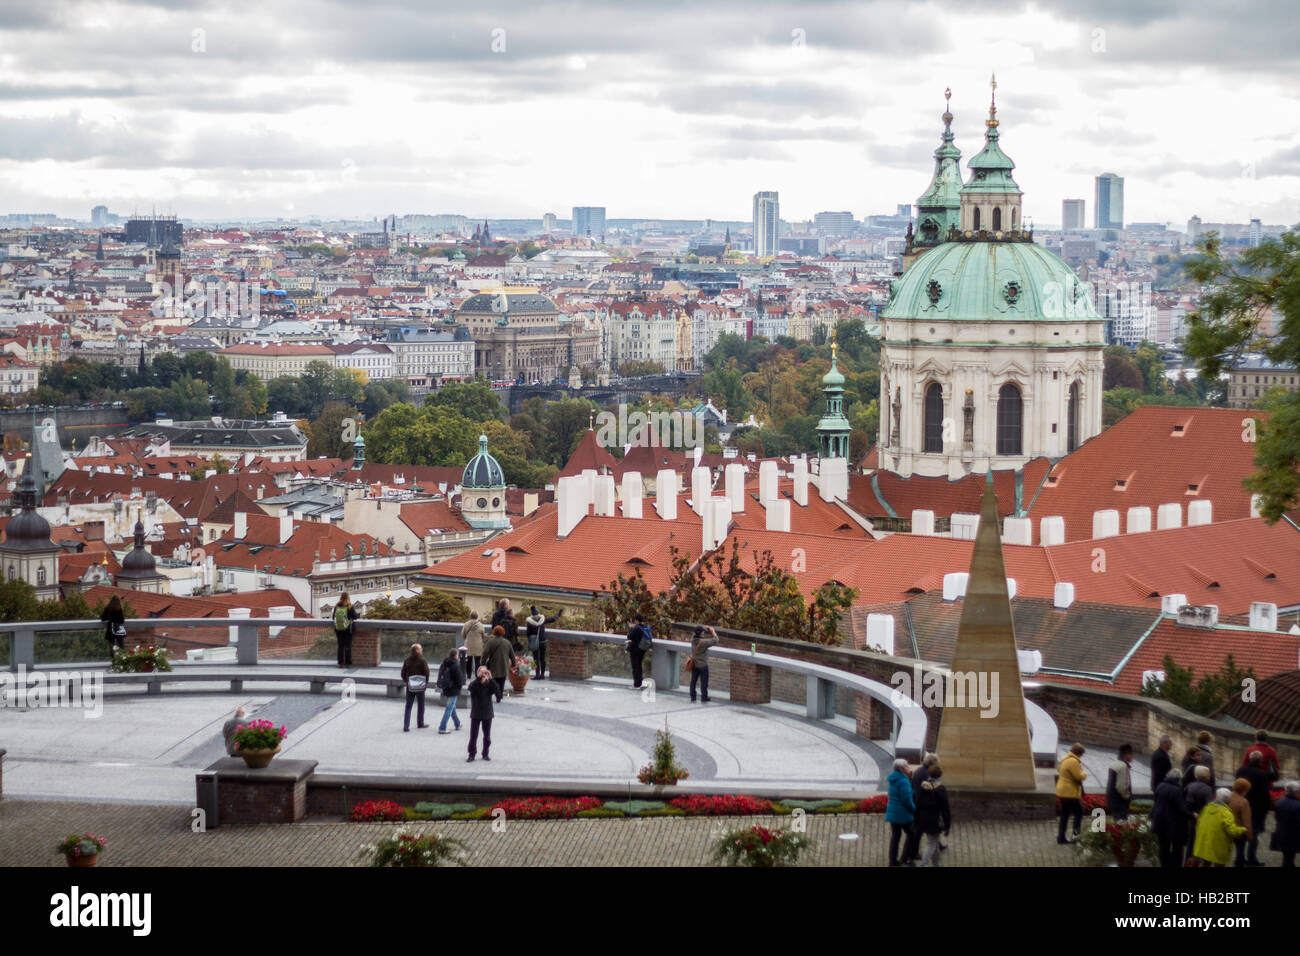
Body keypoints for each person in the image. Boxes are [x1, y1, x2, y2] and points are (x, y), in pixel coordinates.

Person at [1150, 769, 1194, 869]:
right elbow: (1181, 808)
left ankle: (1164, 864)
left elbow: (1156, 802)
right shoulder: (1177, 790)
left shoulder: (1160, 786)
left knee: (1163, 847)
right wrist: (1192, 815)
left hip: (1159, 822)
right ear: (1178, 779)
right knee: (1177, 848)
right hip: (1173, 824)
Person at [1192, 788, 1247, 867]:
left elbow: (1199, 823)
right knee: (1219, 864)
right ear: (1228, 800)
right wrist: (1243, 829)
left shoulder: (1206, 808)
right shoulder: (1226, 813)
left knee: (1206, 863)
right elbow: (1232, 830)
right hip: (1219, 845)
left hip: (1205, 844)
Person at [901, 753, 939, 865]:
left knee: (917, 833)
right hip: (921, 808)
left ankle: (913, 853)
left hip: (917, 805)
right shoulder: (926, 774)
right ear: (932, 764)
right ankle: (909, 856)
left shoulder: (919, 771)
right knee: (916, 834)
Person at [1236, 750, 1272, 866]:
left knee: (1241, 833)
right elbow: (1265, 794)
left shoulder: (1241, 770)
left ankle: (1239, 858)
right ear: (1260, 760)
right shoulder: (1261, 774)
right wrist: (1266, 809)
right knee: (1254, 834)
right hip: (1256, 809)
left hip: (1241, 806)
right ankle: (1251, 858)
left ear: (1249, 758)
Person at [914, 765, 951, 867]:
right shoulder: (940, 789)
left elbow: (917, 803)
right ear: (939, 775)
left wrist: (916, 819)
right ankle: (924, 864)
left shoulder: (923, 786)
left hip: (922, 819)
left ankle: (936, 864)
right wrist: (947, 825)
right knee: (931, 843)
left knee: (933, 843)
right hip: (934, 821)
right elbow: (945, 809)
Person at [885, 758, 916, 866]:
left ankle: (892, 861)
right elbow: (906, 800)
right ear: (902, 769)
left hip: (893, 813)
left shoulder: (893, 779)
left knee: (895, 837)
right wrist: (914, 810)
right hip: (903, 814)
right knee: (912, 834)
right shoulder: (904, 781)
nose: (909, 767)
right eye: (907, 766)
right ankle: (905, 858)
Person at [1055, 743, 1087, 844]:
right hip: (1070, 792)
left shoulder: (1065, 758)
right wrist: (1084, 773)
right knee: (1079, 813)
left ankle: (1061, 837)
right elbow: (1079, 776)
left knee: (1065, 815)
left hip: (1062, 791)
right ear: (1079, 753)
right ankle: (1076, 837)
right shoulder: (1073, 761)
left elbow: (1059, 770)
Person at [1184, 764, 1215, 864]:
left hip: (1192, 817)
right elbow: (1210, 806)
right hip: (1203, 819)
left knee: (1191, 842)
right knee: (1204, 843)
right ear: (1205, 776)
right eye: (1208, 775)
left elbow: (1184, 801)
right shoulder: (1207, 789)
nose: (1210, 776)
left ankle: (1188, 862)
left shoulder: (1189, 786)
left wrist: (1192, 812)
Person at [467, 665, 495, 762]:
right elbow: (470, 688)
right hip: (476, 713)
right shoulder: (474, 684)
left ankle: (485, 753)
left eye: (484, 672)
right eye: (481, 672)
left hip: (487, 713)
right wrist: (478, 678)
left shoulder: (489, 684)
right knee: (473, 736)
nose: (483, 675)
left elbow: (497, 691)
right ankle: (471, 754)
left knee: (487, 736)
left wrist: (491, 679)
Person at [482, 625, 516, 704]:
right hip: (504, 665)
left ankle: (497, 694)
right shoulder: (507, 642)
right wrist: (514, 664)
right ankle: (500, 694)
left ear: (494, 632)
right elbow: (512, 655)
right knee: (502, 681)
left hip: (494, 665)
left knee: (494, 681)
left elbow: (485, 653)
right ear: (503, 632)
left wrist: (482, 662)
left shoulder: (490, 642)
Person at [400, 643, 430, 732]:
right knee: (421, 705)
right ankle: (420, 723)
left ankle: (406, 725)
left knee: (408, 706)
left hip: (410, 686)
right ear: (418, 651)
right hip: (420, 686)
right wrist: (425, 683)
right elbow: (426, 673)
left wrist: (407, 681)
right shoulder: (422, 661)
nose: (422, 650)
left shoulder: (407, 660)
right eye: (421, 649)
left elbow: (403, 673)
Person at [525, 605, 560, 679]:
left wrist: (530, 640)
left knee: (535, 659)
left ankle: (536, 674)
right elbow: (553, 619)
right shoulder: (542, 619)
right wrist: (559, 614)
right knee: (542, 658)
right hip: (543, 641)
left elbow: (528, 633)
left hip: (535, 642)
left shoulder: (529, 622)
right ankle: (542, 675)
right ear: (538, 613)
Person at [435, 646, 464, 734]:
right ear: (455, 655)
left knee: (452, 707)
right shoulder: (456, 664)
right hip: (453, 689)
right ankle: (442, 727)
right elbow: (459, 679)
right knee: (449, 708)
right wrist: (459, 687)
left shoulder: (445, 663)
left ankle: (457, 724)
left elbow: (440, 674)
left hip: (446, 688)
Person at [1227, 777, 1254, 868]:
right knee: (1240, 852)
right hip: (1239, 831)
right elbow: (1247, 821)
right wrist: (1249, 835)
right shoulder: (1243, 802)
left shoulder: (1227, 797)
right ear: (1245, 789)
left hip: (1227, 828)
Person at [1273, 780, 1300, 868]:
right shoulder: (1297, 805)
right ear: (1296, 791)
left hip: (1281, 831)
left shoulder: (1280, 802)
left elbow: (1276, 817)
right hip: (1293, 835)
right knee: (1289, 856)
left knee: (1287, 855)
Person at [688, 625, 718, 703]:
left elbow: (694, 634)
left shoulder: (693, 640)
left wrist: (702, 628)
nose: (704, 632)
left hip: (694, 663)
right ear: (701, 633)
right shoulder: (703, 642)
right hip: (702, 664)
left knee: (693, 681)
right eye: (703, 631)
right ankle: (704, 697)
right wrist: (712, 631)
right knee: (704, 682)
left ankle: (693, 697)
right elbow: (716, 640)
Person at [1106, 744, 1134, 822]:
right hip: (1120, 802)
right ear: (1126, 755)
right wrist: (1127, 797)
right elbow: (1122, 787)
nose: (1133, 756)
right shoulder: (1123, 766)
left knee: (1116, 823)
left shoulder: (1114, 764)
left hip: (1112, 799)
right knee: (1121, 825)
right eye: (1131, 754)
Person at [625, 615, 652, 689]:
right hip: (642, 650)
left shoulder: (636, 628)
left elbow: (629, 636)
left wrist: (631, 628)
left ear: (636, 620)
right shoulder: (645, 627)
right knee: (639, 666)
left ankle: (636, 684)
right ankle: (640, 683)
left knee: (635, 667)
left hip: (635, 650)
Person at [332, 593, 358, 667]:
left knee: (340, 646)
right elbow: (355, 617)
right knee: (347, 646)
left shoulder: (337, 606)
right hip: (348, 628)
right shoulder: (350, 606)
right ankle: (347, 663)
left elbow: (333, 617)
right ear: (348, 597)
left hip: (338, 628)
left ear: (340, 597)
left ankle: (340, 663)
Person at [461, 611, 485, 679]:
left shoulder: (466, 624)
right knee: (478, 661)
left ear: (470, 616)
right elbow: (483, 635)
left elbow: (463, 634)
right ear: (477, 616)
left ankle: (468, 675)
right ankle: (477, 675)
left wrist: (467, 639)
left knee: (468, 661)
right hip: (478, 645)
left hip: (468, 645)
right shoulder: (480, 625)